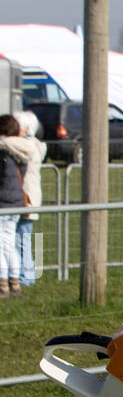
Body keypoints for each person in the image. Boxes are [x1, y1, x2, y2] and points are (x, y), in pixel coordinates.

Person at [5, 111, 46, 285]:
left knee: (23, 239)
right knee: (20, 238)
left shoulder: (26, 147)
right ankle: (22, 274)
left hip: (26, 198)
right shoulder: (31, 145)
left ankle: (26, 276)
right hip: (24, 197)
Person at [0, 115, 28, 296]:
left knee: (1, 246)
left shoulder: (3, 153)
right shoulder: (22, 152)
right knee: (10, 244)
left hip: (3, 203)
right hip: (17, 202)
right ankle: (15, 281)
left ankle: (3, 283)